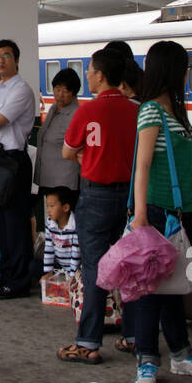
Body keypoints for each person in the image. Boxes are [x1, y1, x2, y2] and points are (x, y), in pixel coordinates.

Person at [122, 41, 192, 383]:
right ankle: (148, 361)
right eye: (185, 67)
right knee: (152, 290)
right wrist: (139, 216)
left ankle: (180, 354)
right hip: (155, 212)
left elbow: (171, 160)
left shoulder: (175, 113)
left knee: (175, 287)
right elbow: (143, 165)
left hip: (179, 211)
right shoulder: (151, 111)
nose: (188, 74)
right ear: (172, 70)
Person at [57, 47, 137, 359]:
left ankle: (88, 341)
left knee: (95, 267)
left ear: (101, 76)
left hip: (95, 195)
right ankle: (132, 335)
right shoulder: (136, 110)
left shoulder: (87, 112)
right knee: (128, 266)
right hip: (129, 198)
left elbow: (67, 151)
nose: (87, 75)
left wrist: (87, 155)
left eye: (90, 70)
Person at [0, 39, 38, 299]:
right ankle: (6, 275)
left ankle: (18, 281)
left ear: (16, 61)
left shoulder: (21, 90)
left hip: (13, 161)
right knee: (0, 224)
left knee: (15, 225)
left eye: (6, 55)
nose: (0, 60)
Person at [34, 67, 82, 207]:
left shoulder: (76, 114)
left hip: (64, 180)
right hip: (48, 176)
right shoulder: (54, 108)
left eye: (66, 91)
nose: (60, 94)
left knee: (63, 220)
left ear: (74, 93)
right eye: (57, 88)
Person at [42, 186, 80, 274]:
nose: (48, 210)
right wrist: (48, 273)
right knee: (34, 266)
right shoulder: (49, 223)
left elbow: (76, 253)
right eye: (47, 206)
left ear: (65, 208)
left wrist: (72, 276)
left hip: (75, 267)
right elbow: (48, 249)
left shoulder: (75, 225)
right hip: (59, 265)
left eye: (52, 206)